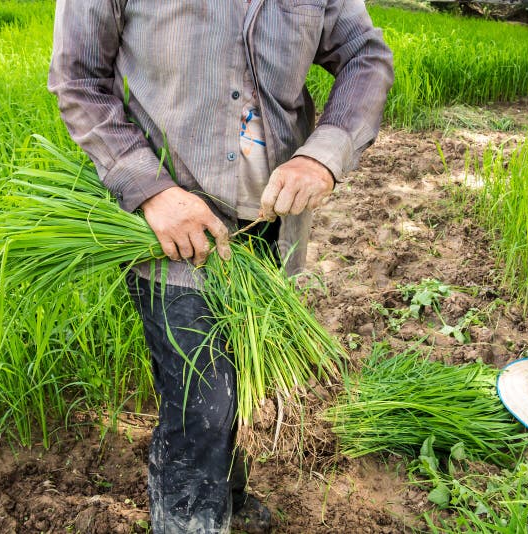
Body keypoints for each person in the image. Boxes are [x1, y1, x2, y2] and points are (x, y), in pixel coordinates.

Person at [49, 1, 393, 532]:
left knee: (240, 382)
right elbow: (77, 81)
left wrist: (323, 153)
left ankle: (225, 496)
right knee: (201, 406)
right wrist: (150, 189)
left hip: (273, 224)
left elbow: (364, 56)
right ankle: (190, 518)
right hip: (175, 232)